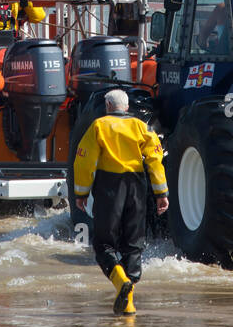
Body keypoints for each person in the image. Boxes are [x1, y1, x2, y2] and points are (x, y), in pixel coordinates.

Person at [72, 89, 168, 315]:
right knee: (133, 245)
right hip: (137, 186)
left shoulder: (99, 126)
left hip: (109, 187)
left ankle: (120, 283)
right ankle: (129, 303)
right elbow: (155, 160)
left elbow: (84, 160)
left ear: (107, 106)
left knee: (104, 243)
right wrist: (161, 193)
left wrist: (81, 193)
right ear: (126, 108)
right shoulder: (141, 127)